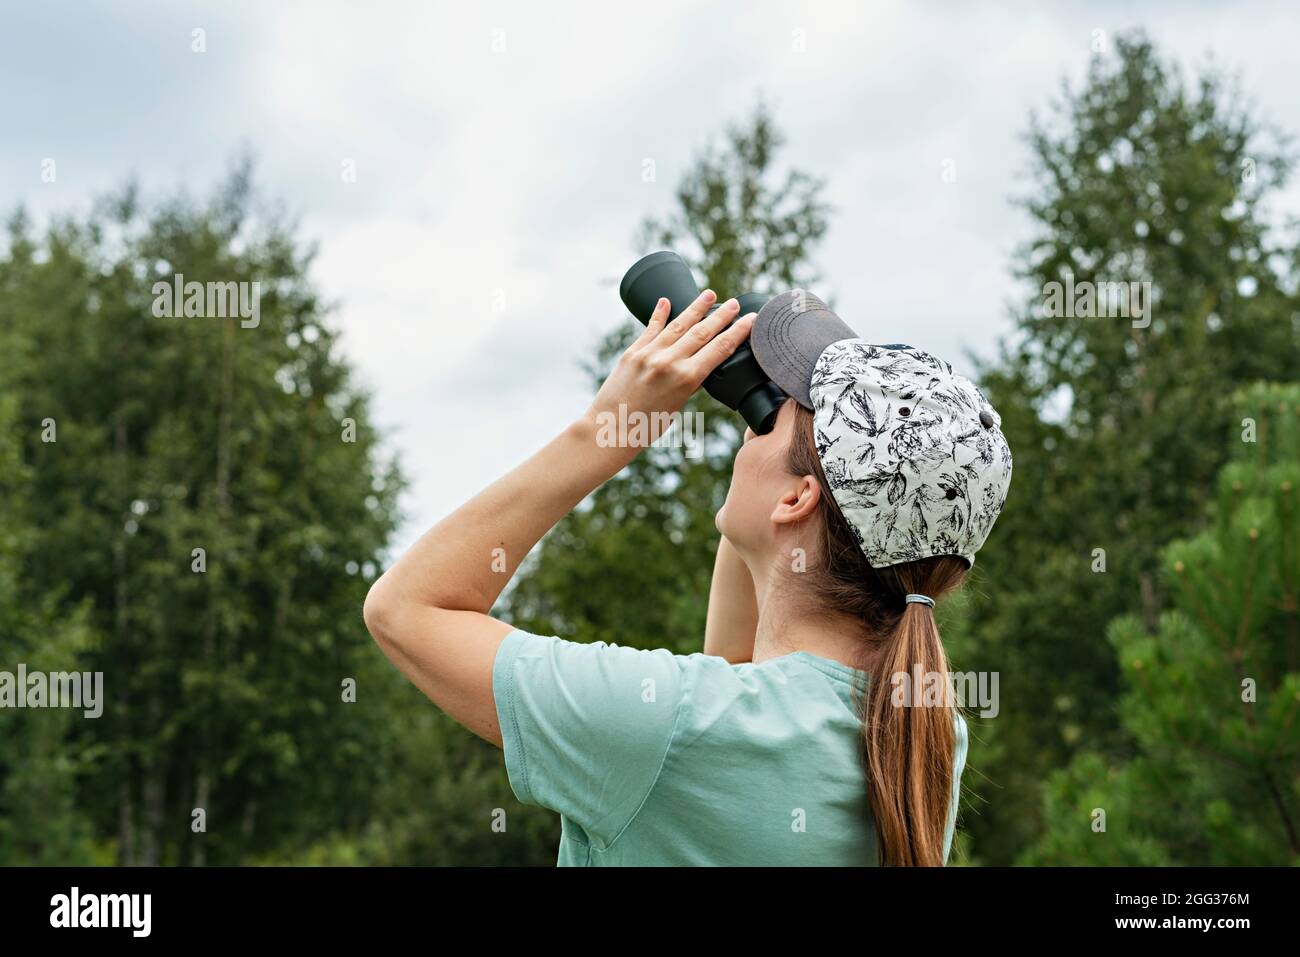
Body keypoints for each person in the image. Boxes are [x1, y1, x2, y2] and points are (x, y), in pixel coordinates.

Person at [363, 286, 1013, 866]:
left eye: (770, 420)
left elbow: (407, 608)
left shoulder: (670, 727)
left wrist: (609, 427)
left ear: (796, 499)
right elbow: (738, 674)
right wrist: (771, 447)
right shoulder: (922, 731)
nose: (754, 432)